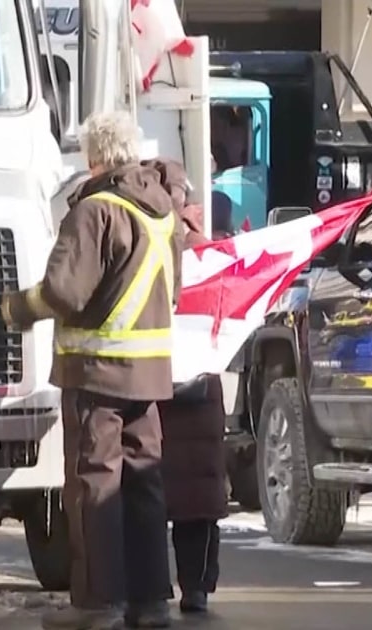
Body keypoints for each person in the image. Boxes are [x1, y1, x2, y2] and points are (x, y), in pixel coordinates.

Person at [2, 111, 179, 630]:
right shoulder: (162, 209)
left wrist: (14, 309)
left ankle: (98, 604)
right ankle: (151, 602)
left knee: (95, 486)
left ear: (94, 156)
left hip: (97, 374)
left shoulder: (95, 210)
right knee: (145, 486)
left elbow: (63, 292)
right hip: (148, 375)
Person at [148, 166, 226, 614]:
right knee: (198, 496)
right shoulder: (206, 251)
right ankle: (196, 587)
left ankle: (154, 588)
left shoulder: (142, 245)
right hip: (200, 388)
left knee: (153, 493)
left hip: (154, 382)